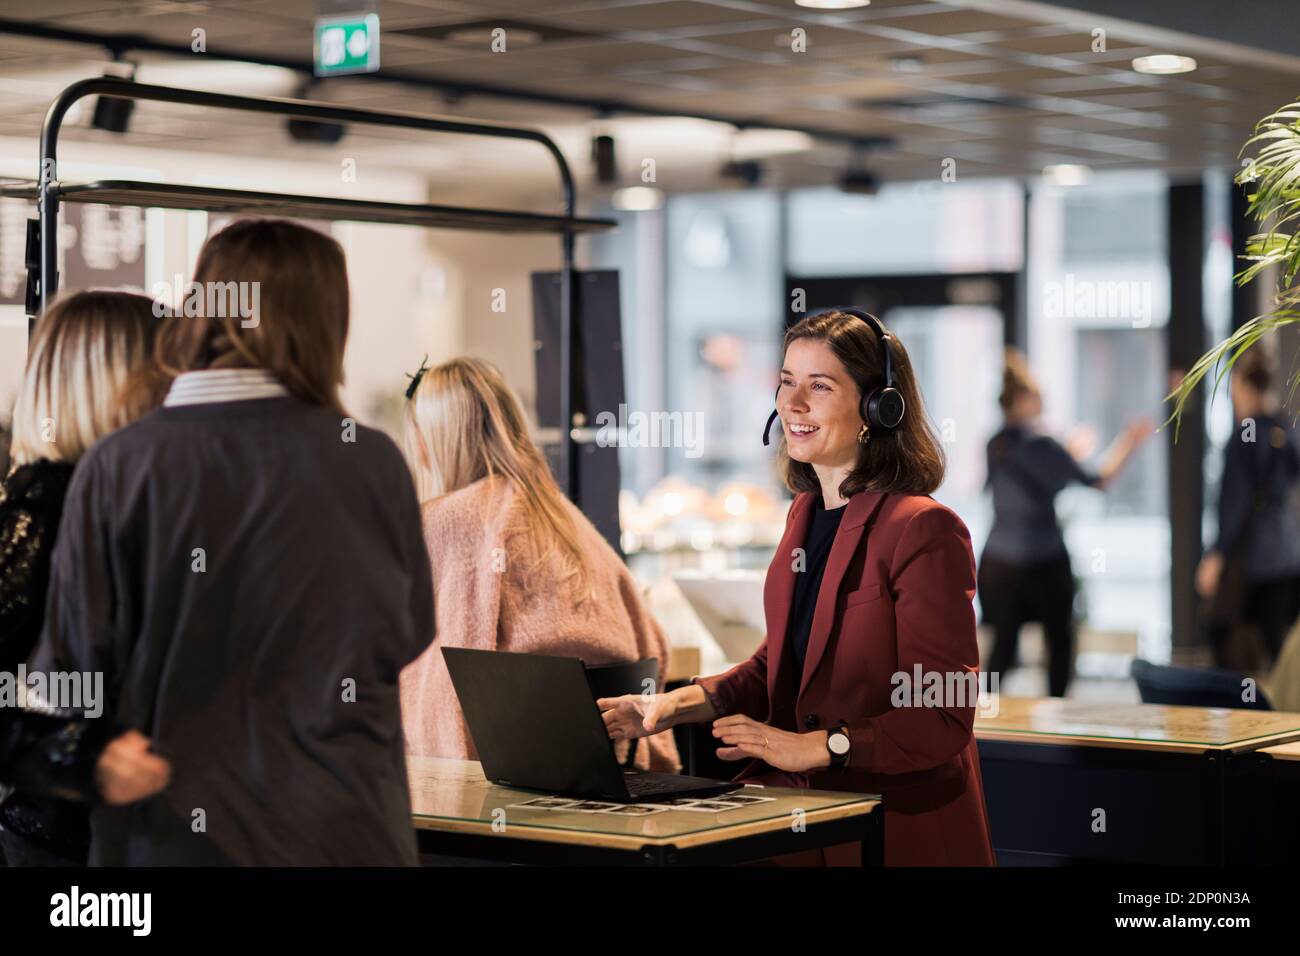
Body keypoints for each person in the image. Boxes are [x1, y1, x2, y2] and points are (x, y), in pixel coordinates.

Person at [29, 219, 434, 865]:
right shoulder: (371, 459)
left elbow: (71, 671)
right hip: (348, 826)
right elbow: (407, 631)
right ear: (327, 321)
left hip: (173, 834)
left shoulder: (121, 463)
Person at [600, 308, 995, 866]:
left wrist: (819, 746)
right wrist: (673, 705)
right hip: (807, 823)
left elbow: (944, 711)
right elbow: (780, 664)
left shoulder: (922, 529)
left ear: (877, 407)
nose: (792, 404)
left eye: (820, 386)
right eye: (786, 383)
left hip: (895, 829)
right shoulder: (804, 516)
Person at [399, 357, 679, 772]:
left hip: (504, 773)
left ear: (428, 442)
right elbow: (648, 638)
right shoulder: (565, 516)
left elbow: (416, 668)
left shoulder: (441, 520)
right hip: (609, 764)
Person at [0, 290, 169, 866]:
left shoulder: (130, 502)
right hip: (62, 852)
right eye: (164, 372)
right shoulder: (44, 506)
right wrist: (81, 757)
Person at [978, 348, 1151, 697]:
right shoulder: (1045, 444)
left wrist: (1067, 452)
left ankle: (985, 721)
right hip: (1043, 559)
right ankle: (1057, 716)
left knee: (1002, 648)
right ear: (1025, 399)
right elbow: (1098, 479)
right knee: (1059, 642)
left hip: (998, 562)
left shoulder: (994, 444)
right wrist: (1130, 441)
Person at [1197, 344, 1300, 670]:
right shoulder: (1285, 431)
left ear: (1245, 387)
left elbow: (1235, 501)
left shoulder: (1243, 435)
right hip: (1286, 553)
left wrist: (1216, 555)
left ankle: (1238, 710)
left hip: (1251, 556)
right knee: (1279, 645)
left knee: (1222, 635)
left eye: (1233, 390)